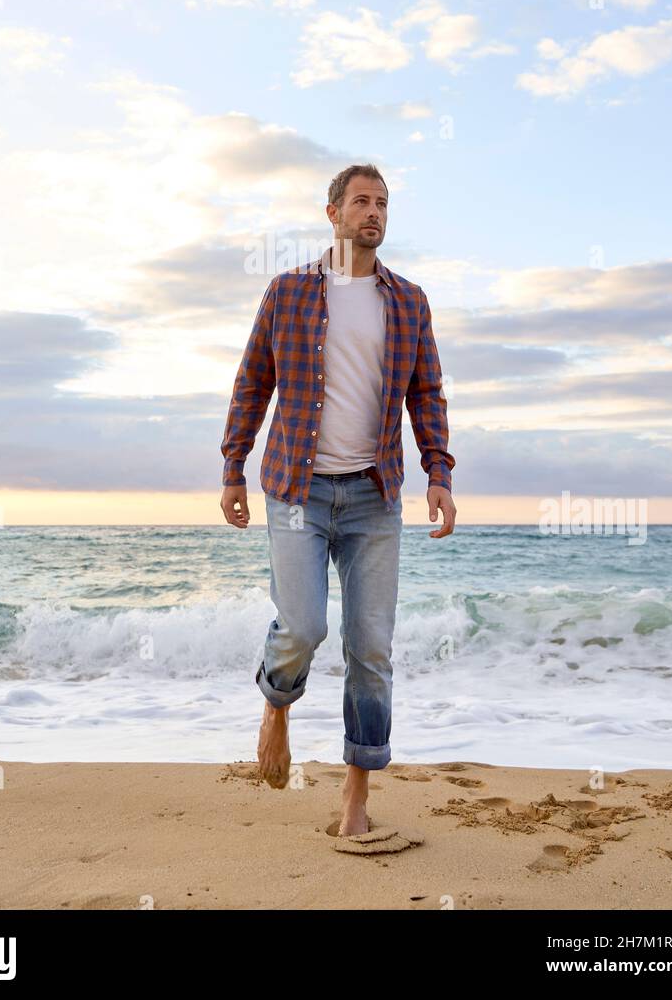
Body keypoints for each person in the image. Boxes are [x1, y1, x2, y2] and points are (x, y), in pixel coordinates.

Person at [220, 163, 456, 837]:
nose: (373, 212)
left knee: (370, 648)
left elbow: (426, 393)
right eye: (361, 201)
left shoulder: (408, 301)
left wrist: (438, 472)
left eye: (382, 203)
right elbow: (251, 383)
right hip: (298, 489)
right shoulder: (289, 292)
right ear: (333, 213)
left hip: (374, 496)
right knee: (302, 627)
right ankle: (277, 705)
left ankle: (354, 800)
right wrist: (232, 466)